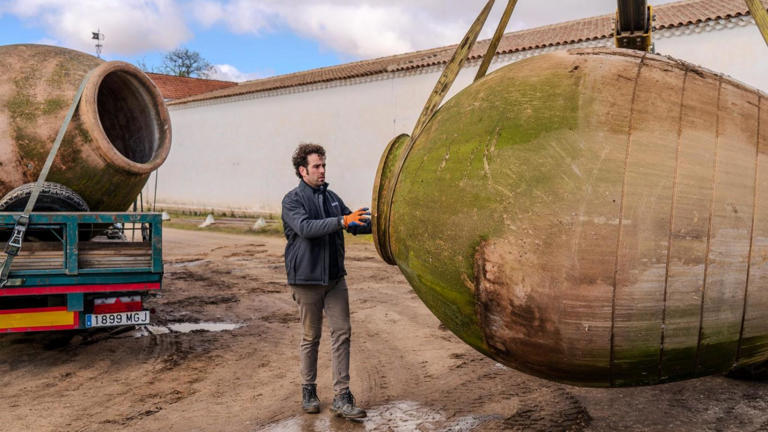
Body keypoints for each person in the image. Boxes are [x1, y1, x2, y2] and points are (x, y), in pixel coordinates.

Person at [281, 143, 371, 419]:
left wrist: (374, 221)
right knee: (311, 337)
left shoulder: (332, 198)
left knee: (342, 333)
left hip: (334, 280)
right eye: (316, 166)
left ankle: (342, 396)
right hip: (306, 280)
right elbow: (307, 228)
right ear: (302, 170)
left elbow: (352, 223)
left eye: (323, 165)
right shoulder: (292, 201)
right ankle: (308, 389)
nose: (322, 171)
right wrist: (343, 221)